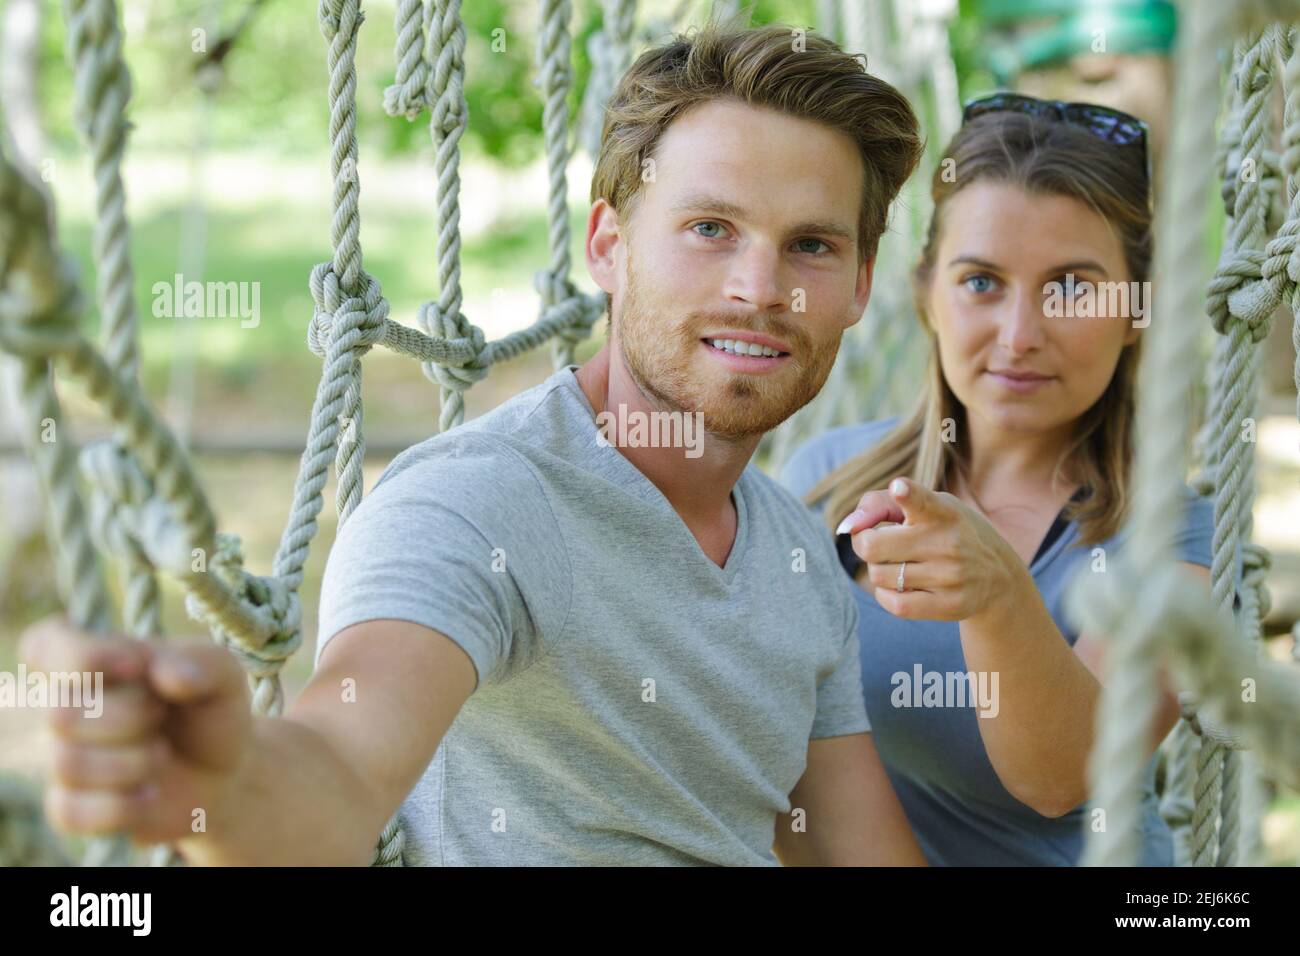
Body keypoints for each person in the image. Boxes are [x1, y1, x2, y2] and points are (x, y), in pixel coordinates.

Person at [20, 20, 929, 865]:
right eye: (709, 229)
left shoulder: (800, 554)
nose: (758, 287)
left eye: (811, 245)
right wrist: (227, 793)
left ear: (859, 286)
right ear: (608, 246)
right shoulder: (477, 504)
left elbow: (855, 851)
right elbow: (340, 766)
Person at [779, 92, 1234, 866]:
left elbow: (1066, 776)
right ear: (928, 295)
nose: (1020, 336)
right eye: (982, 281)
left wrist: (996, 595)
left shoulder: (1172, 536)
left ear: (1136, 312)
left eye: (1070, 288)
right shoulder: (828, 481)